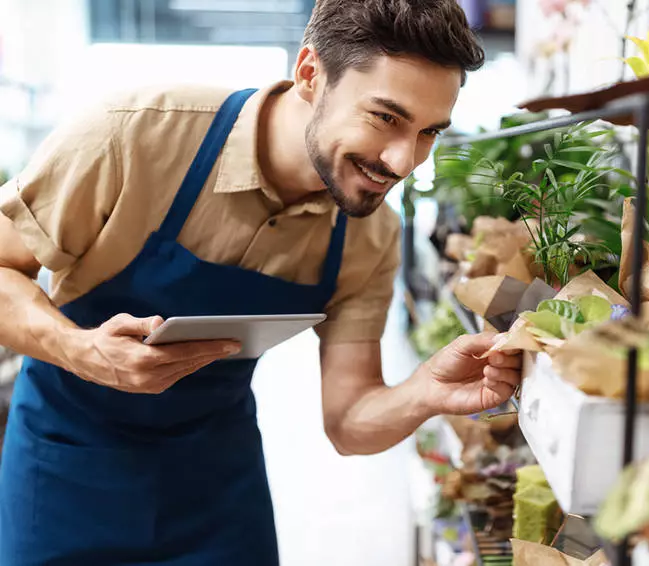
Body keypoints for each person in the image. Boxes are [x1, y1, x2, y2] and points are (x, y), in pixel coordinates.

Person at [0, 1, 523, 564]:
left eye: (428, 133)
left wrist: (425, 393)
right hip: (67, 468)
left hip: (215, 486)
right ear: (309, 73)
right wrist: (80, 350)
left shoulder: (369, 235)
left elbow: (349, 424)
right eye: (385, 118)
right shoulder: (134, 134)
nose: (403, 161)